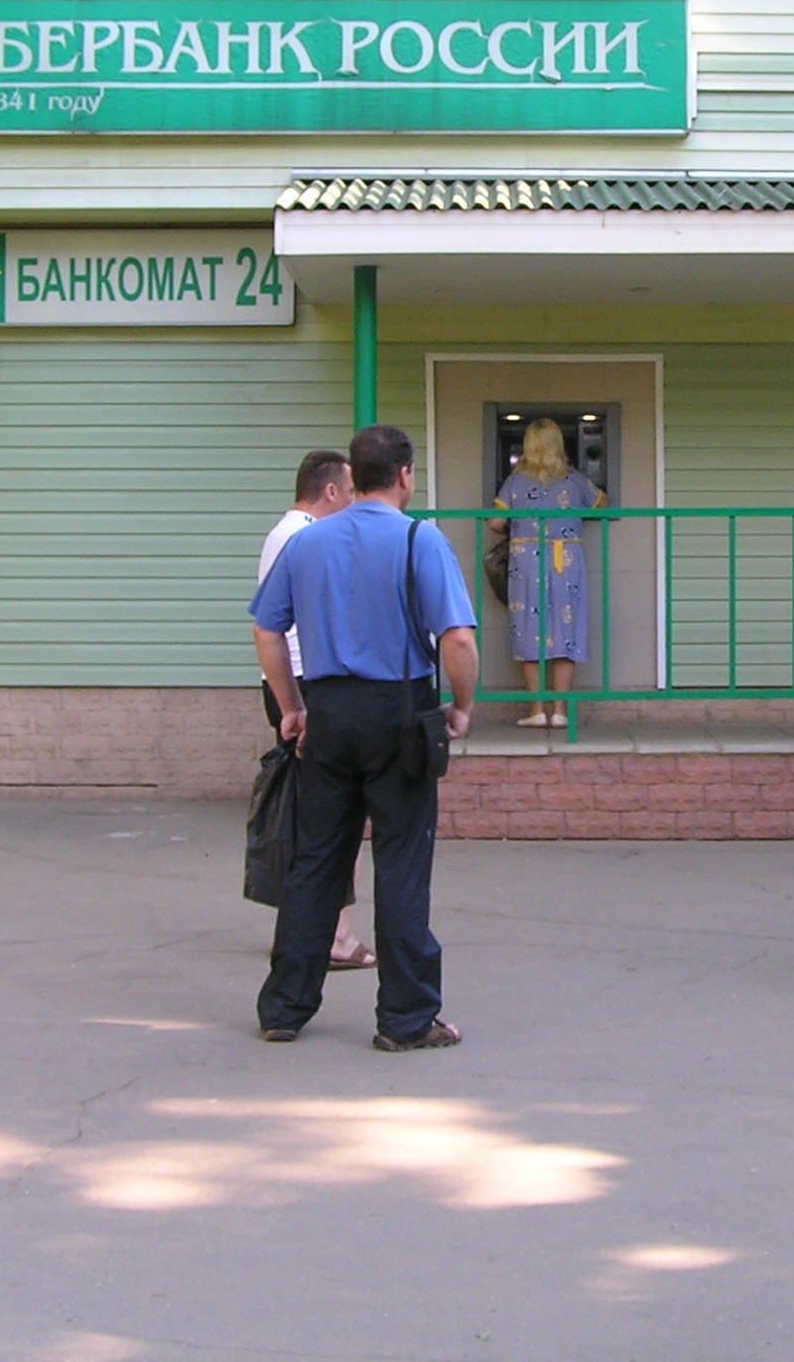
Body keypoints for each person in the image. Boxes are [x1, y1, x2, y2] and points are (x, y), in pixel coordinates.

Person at [250, 424, 478, 1051]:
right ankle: (404, 1019)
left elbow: (267, 631)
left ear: (352, 476)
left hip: (327, 712)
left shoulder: (308, 542)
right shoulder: (418, 541)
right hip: (399, 714)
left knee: (316, 859)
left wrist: (291, 707)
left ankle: (285, 1007)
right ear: (405, 475)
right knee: (402, 862)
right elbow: (456, 639)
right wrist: (461, 707)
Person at [254, 448, 372, 972]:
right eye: (349, 491)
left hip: (292, 682)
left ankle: (306, 928)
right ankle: (335, 936)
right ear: (330, 491)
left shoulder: (285, 531)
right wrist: (295, 705)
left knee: (316, 813)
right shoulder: (307, 537)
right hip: (310, 683)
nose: (353, 501)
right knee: (336, 815)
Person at [490, 418, 606, 728]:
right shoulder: (573, 480)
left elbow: (495, 523)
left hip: (527, 560)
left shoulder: (515, 482)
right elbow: (601, 504)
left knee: (529, 629)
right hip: (565, 559)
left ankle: (536, 710)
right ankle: (560, 713)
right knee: (564, 633)